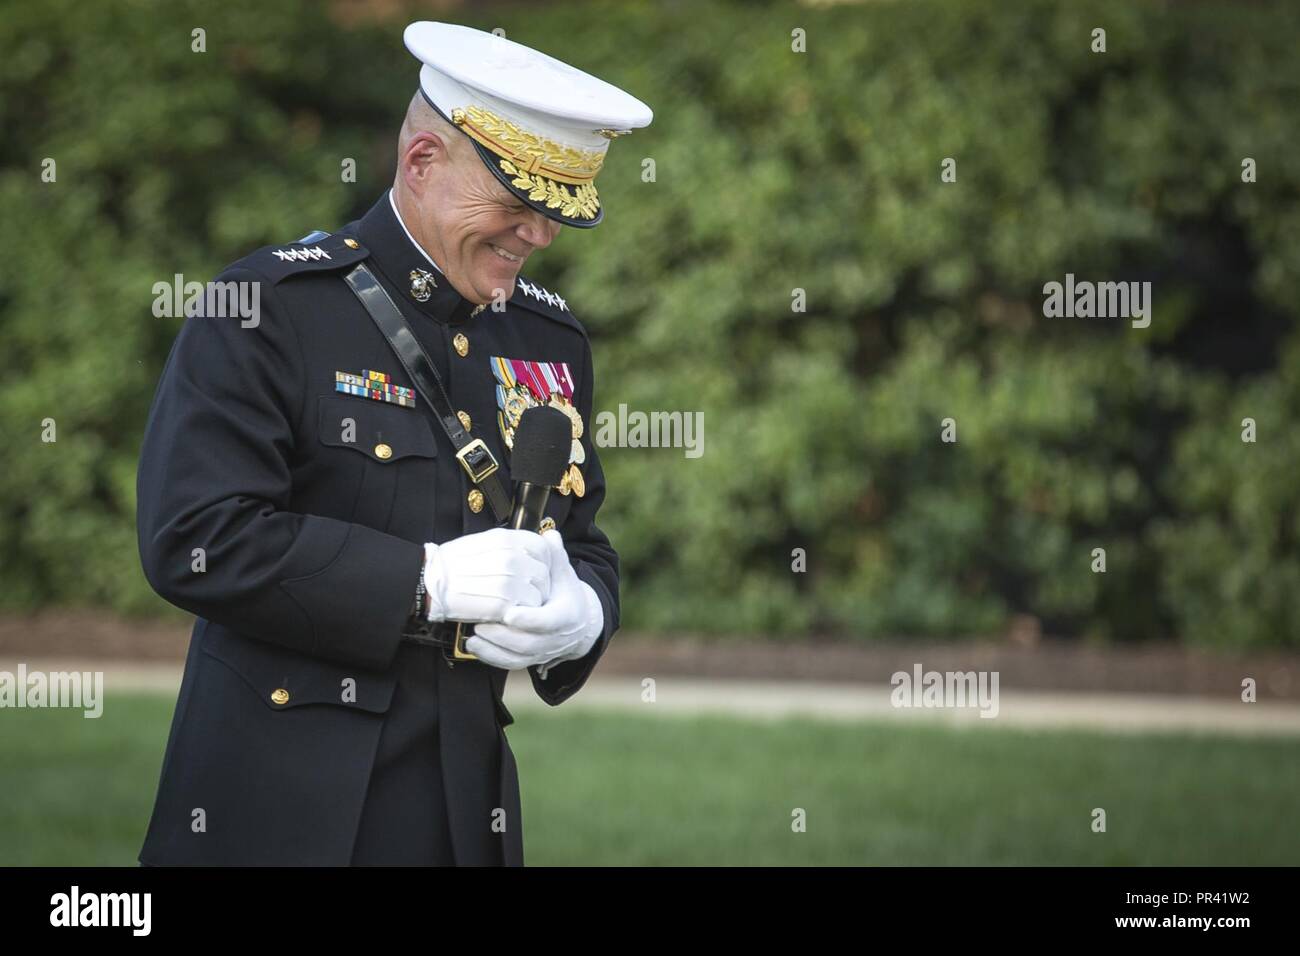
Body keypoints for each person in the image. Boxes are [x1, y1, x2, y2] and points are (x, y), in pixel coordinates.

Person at [134, 20, 652, 866]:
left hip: (460, 810)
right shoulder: (271, 307)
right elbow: (195, 537)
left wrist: (583, 615)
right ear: (421, 163)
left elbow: (581, 540)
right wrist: (424, 581)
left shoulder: (547, 342)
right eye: (518, 203)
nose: (540, 235)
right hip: (278, 808)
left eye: (557, 213)